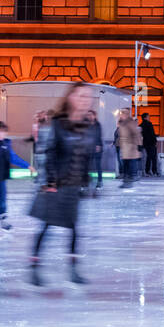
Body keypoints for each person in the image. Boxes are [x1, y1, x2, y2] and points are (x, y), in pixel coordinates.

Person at [28, 82, 100, 286]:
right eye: (81, 96)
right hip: (56, 184)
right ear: (70, 98)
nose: (85, 100)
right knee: (46, 226)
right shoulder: (58, 123)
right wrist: (50, 182)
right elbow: (49, 153)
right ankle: (33, 267)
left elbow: (86, 157)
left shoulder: (89, 125)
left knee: (74, 228)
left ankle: (73, 270)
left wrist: (88, 182)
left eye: (88, 97)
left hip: (74, 185)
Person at [115, 111, 142, 189]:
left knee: (129, 165)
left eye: (123, 114)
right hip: (124, 148)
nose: (121, 115)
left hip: (130, 148)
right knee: (125, 165)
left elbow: (136, 134)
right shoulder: (122, 123)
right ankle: (126, 181)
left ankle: (129, 181)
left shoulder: (130, 123)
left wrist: (139, 145)